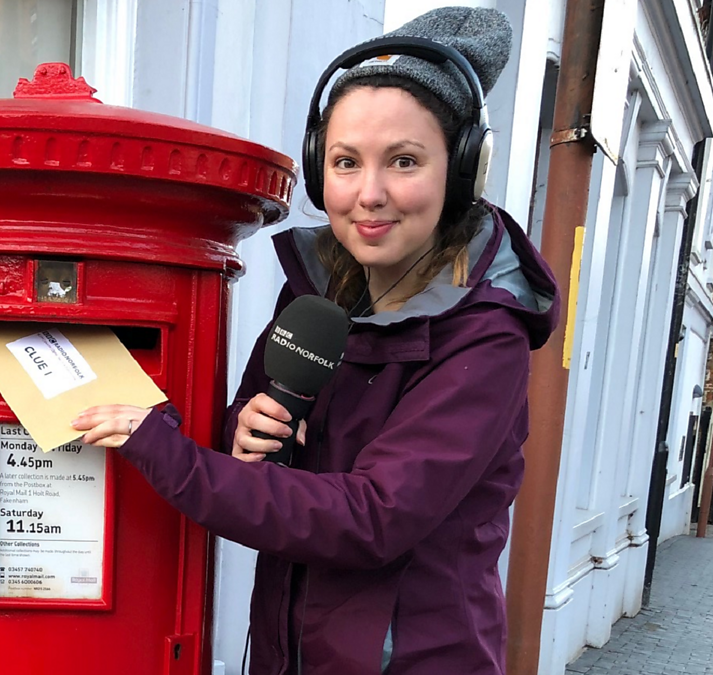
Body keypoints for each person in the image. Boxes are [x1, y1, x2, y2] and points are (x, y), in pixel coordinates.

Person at [72, 7, 558, 674]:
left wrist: (163, 449)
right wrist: (244, 428)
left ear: (464, 170)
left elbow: (372, 517)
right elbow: (249, 436)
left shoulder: (485, 338)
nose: (370, 193)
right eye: (345, 161)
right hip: (289, 648)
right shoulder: (316, 292)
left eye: (405, 160)